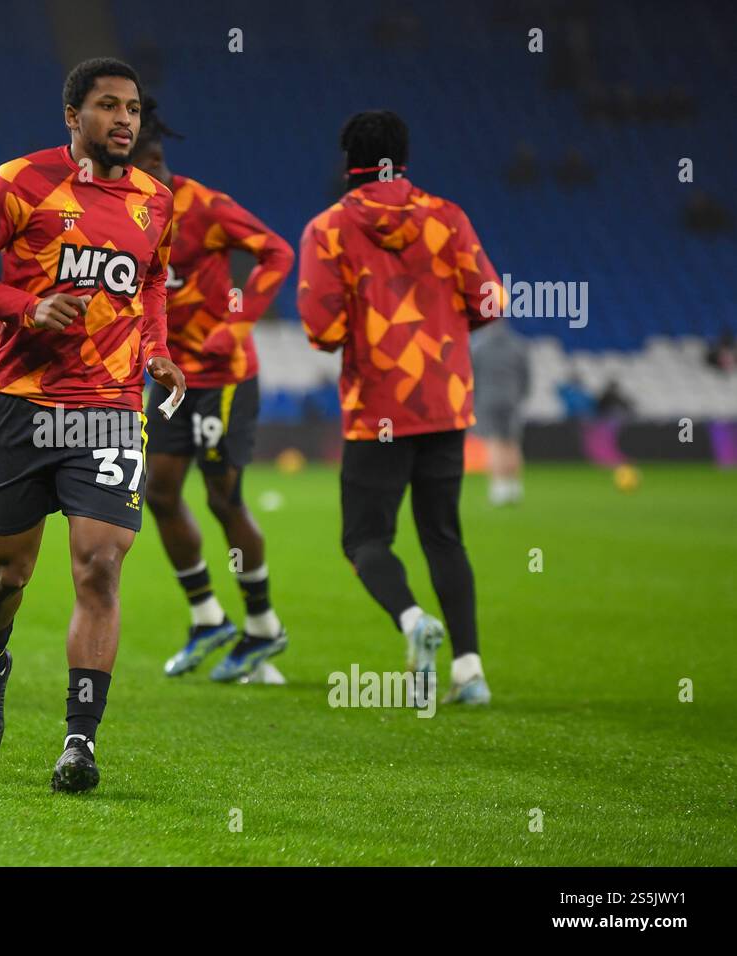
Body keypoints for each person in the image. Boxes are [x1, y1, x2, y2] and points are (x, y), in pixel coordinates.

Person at [0, 57, 186, 792]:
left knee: (100, 565)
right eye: (108, 107)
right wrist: (27, 307)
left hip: (109, 407)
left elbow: (149, 287)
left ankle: (79, 742)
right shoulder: (20, 180)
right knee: (11, 573)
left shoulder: (156, 201)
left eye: (134, 109)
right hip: (22, 401)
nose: (124, 121)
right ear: (72, 117)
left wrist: (159, 353)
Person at [297, 110, 500, 706]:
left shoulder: (327, 229)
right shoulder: (448, 217)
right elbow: (488, 301)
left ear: (347, 164)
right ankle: (470, 670)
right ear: (403, 156)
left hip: (377, 407)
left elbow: (323, 328)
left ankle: (413, 621)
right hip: (445, 402)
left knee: (365, 540)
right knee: (443, 536)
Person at [130, 97, 296, 681]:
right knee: (160, 492)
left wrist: (240, 322)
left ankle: (262, 626)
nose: (152, 174)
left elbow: (278, 252)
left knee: (224, 498)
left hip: (224, 377)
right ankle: (207, 616)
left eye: (154, 161)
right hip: (168, 373)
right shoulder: (124, 213)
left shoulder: (204, 206)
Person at [471, 319, 530, 505]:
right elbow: (526, 376)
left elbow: (472, 375)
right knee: (512, 442)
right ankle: (514, 486)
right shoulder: (518, 345)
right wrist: (519, 395)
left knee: (494, 442)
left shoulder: (479, 346)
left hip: (487, 399)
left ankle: (499, 488)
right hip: (511, 398)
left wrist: (476, 399)